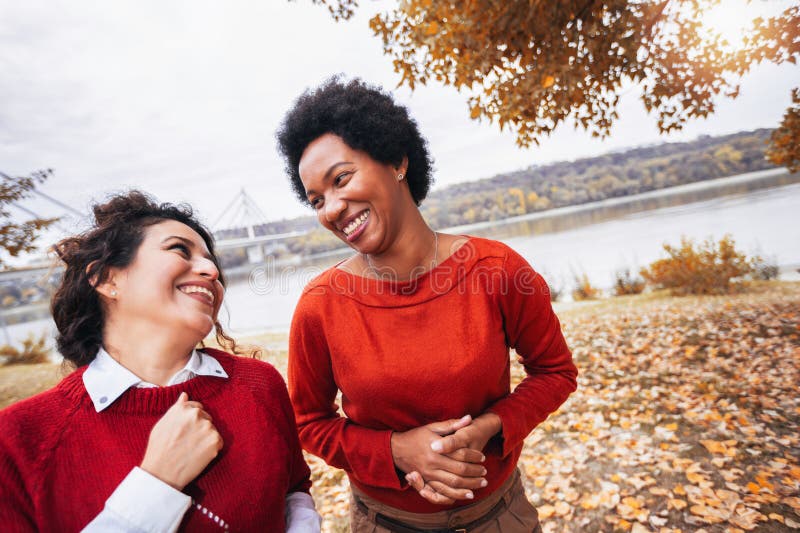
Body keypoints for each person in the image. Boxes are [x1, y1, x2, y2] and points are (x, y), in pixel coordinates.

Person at [277, 78, 579, 532]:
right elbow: (308, 422)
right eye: (316, 199)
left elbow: (556, 372)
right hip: (385, 523)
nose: (333, 208)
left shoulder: (496, 269)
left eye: (342, 179)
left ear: (397, 160)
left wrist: (492, 426)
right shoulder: (320, 306)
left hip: (500, 517)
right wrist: (395, 450)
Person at [0, 191, 321, 532]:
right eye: (180, 250)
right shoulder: (19, 440)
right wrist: (158, 482)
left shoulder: (260, 382)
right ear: (107, 278)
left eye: (211, 259)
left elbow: (294, 491)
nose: (211, 270)